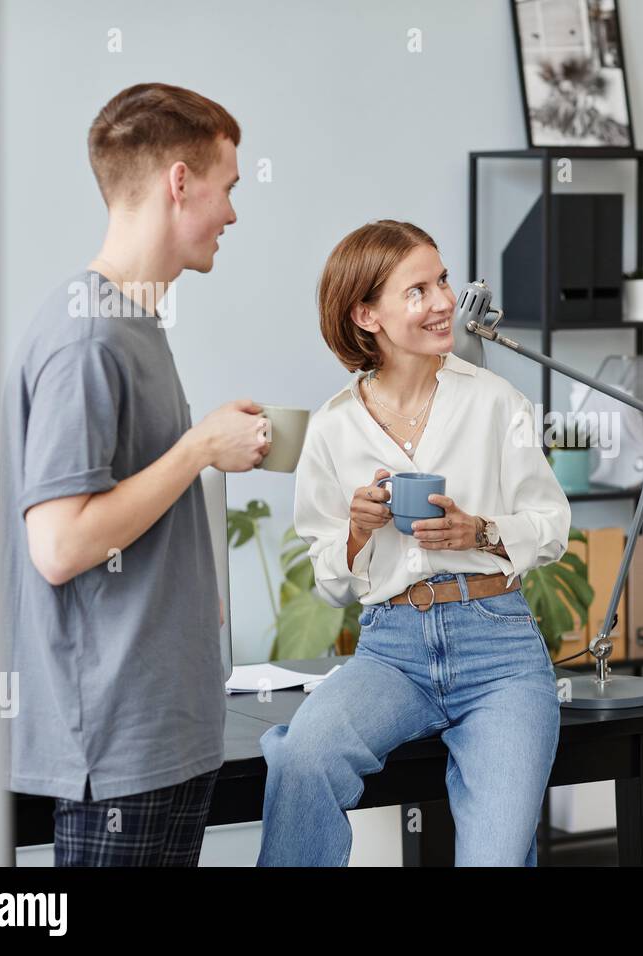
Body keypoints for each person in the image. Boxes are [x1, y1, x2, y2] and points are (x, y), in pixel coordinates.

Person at [0, 83, 269, 866]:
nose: (233, 213)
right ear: (180, 181)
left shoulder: (134, 321)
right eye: (229, 187)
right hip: (120, 746)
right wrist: (197, 451)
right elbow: (59, 545)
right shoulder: (89, 338)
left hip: (160, 729)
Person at [257, 220, 569, 867]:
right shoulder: (334, 428)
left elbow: (550, 523)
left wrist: (479, 530)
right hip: (391, 652)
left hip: (500, 652)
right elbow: (328, 579)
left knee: (499, 856)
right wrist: (358, 531)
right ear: (366, 314)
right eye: (419, 290)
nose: (445, 301)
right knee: (302, 758)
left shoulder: (496, 403)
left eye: (443, 281)